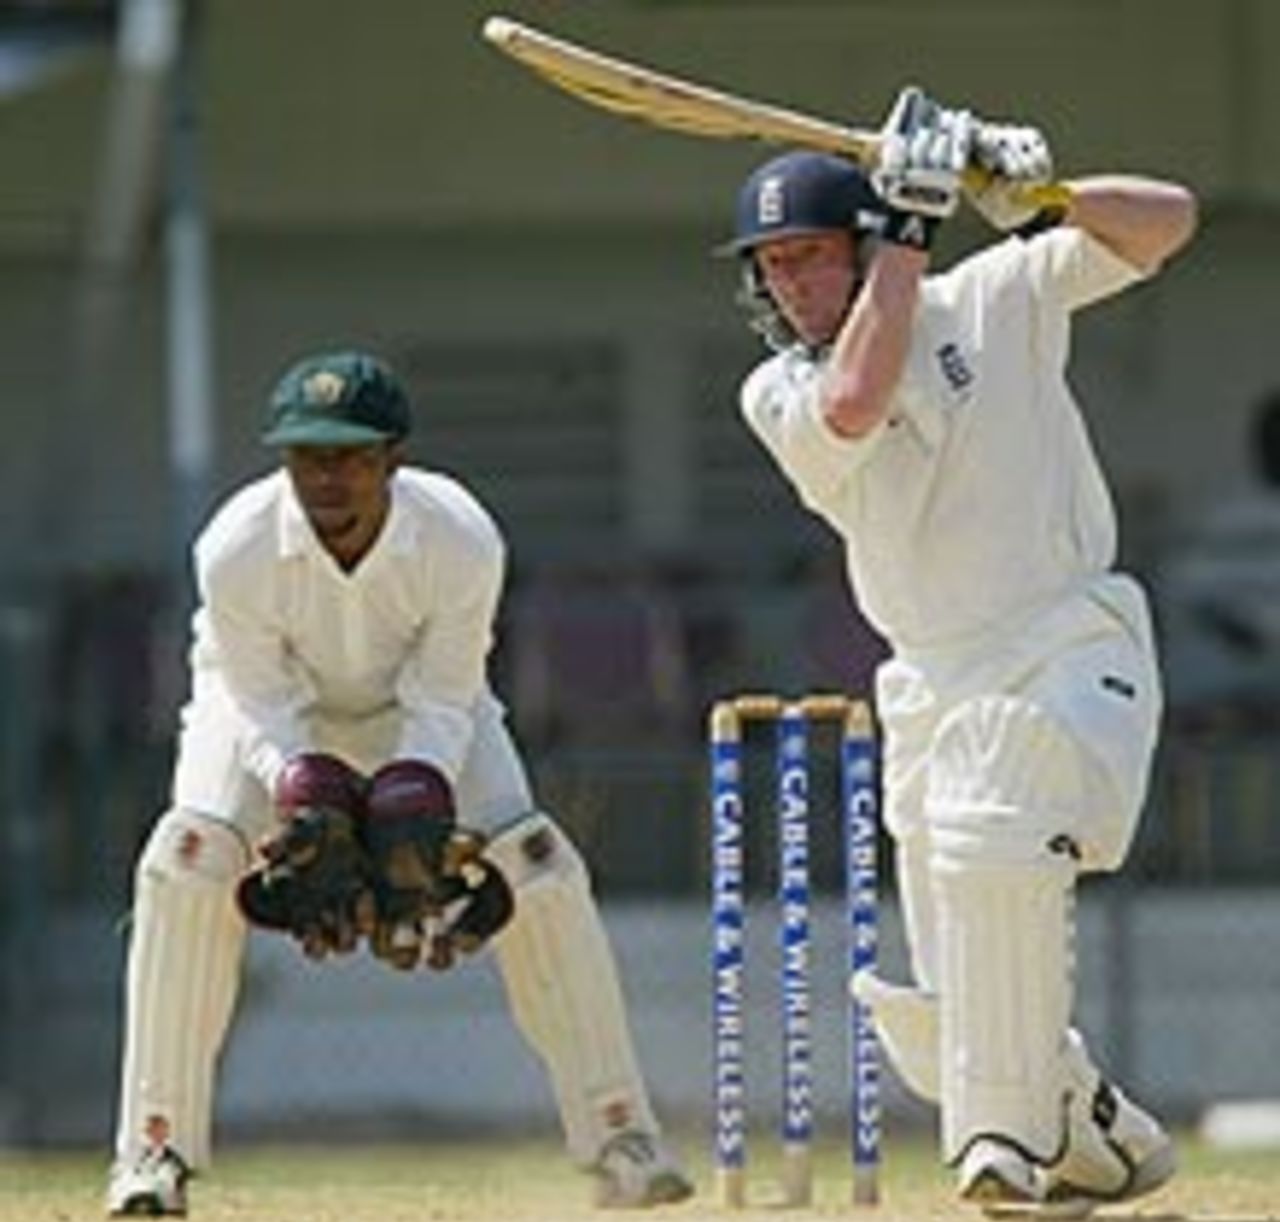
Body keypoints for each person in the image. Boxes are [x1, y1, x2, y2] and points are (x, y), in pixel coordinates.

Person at [721, 87, 1197, 1214]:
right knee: (940, 1012)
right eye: (770, 264)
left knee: (993, 838)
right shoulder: (776, 392)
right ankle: (1081, 1117)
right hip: (927, 680)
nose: (787, 283)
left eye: (806, 255)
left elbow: (1167, 221)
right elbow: (855, 402)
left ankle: (998, 1147)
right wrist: (909, 225)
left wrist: (1034, 188)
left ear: (859, 242)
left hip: (1066, 641)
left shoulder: (995, 292)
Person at [106, 350, 692, 1216]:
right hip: (265, 718)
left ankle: (620, 1134)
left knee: (538, 864)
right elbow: (261, 702)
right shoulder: (234, 546)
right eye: (308, 457)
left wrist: (410, 806)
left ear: (393, 460)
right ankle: (153, 1152)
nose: (327, 479)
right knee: (184, 861)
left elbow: (447, 692)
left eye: (348, 456)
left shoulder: (459, 536)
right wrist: (306, 794)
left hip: (425, 714)